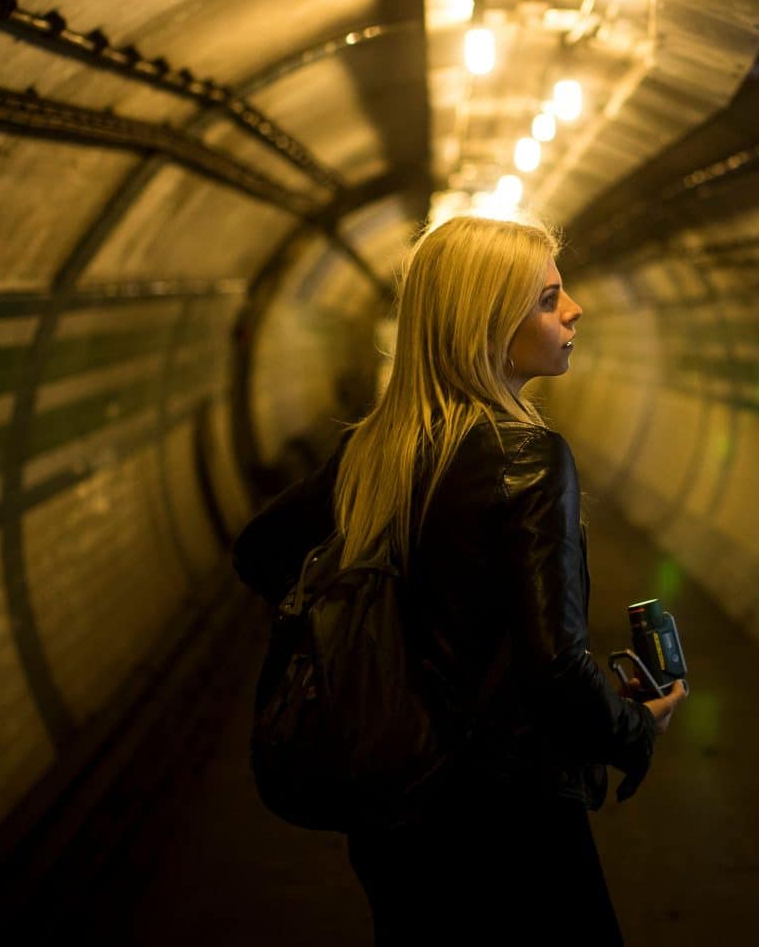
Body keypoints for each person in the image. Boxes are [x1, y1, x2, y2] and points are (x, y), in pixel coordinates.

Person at [231, 213, 686, 946]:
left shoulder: (372, 450)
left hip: (395, 813)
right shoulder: (531, 459)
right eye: (547, 299)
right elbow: (556, 666)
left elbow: (259, 553)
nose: (574, 311)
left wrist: (366, 648)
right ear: (487, 322)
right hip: (512, 818)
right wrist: (637, 726)